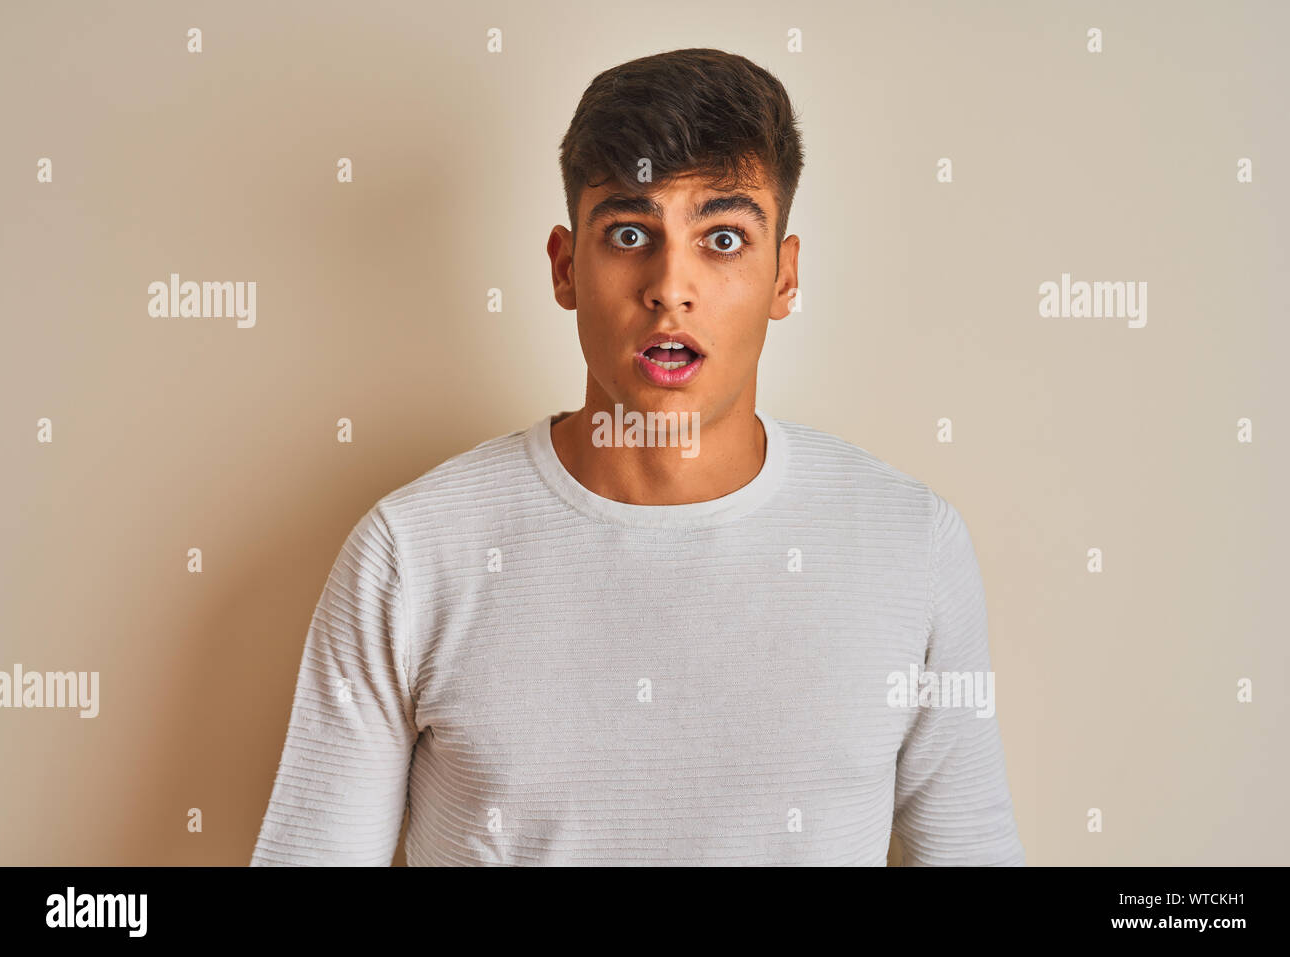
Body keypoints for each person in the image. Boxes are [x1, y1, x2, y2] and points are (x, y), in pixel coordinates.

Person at [250, 47, 1025, 866]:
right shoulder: (410, 554)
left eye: (722, 237)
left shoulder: (910, 545)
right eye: (629, 233)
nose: (669, 287)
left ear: (785, 279)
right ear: (564, 267)